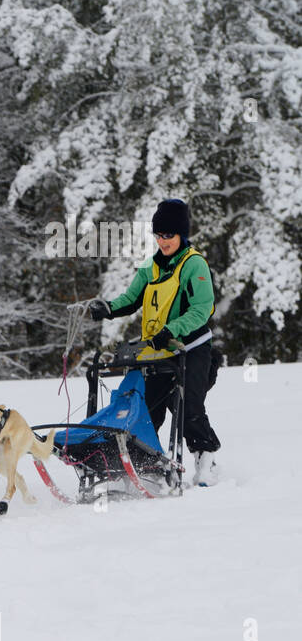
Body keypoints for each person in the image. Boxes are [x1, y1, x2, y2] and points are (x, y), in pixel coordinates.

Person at [88, 198, 221, 486]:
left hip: (192, 348)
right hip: (158, 351)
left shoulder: (194, 264)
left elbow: (203, 309)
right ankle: (148, 463)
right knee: (146, 408)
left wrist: (172, 330)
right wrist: (108, 308)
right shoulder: (150, 268)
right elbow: (131, 299)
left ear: (181, 234)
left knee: (188, 407)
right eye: (158, 235)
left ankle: (205, 458)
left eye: (168, 235)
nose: (163, 241)